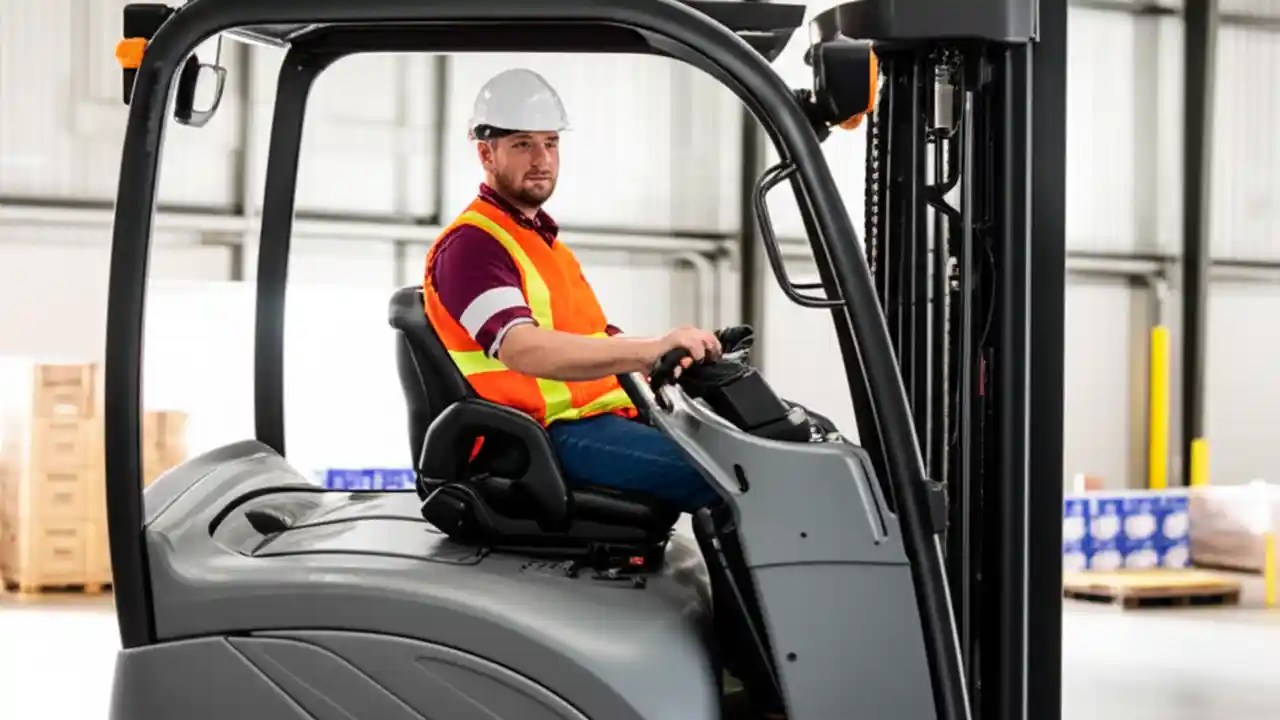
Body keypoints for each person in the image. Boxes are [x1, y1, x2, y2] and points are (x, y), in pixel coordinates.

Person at [421, 68, 723, 513]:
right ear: (487, 154)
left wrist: (674, 348)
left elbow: (597, 335)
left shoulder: (540, 243)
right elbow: (521, 348)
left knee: (752, 450)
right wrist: (648, 351)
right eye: (523, 144)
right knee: (733, 479)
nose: (541, 158)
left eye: (551, 142)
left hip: (590, 422)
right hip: (541, 437)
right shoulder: (472, 245)